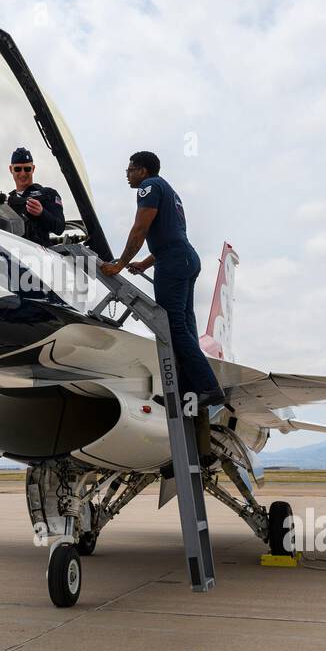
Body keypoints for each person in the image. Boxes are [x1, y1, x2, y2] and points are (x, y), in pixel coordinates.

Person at [100, 150, 225, 462]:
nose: (126, 174)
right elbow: (170, 235)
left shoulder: (149, 188)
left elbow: (140, 230)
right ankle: (191, 389)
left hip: (174, 262)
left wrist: (120, 263)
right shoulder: (169, 190)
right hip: (182, 257)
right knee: (185, 327)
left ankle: (208, 387)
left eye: (129, 169)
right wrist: (144, 262)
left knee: (172, 328)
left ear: (142, 171)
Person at [4, 147, 65, 247]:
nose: (23, 173)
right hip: (13, 253)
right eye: (18, 169)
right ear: (11, 169)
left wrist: (41, 213)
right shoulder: (7, 202)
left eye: (27, 168)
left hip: (38, 255)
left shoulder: (48, 194)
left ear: (33, 169)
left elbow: (59, 228)